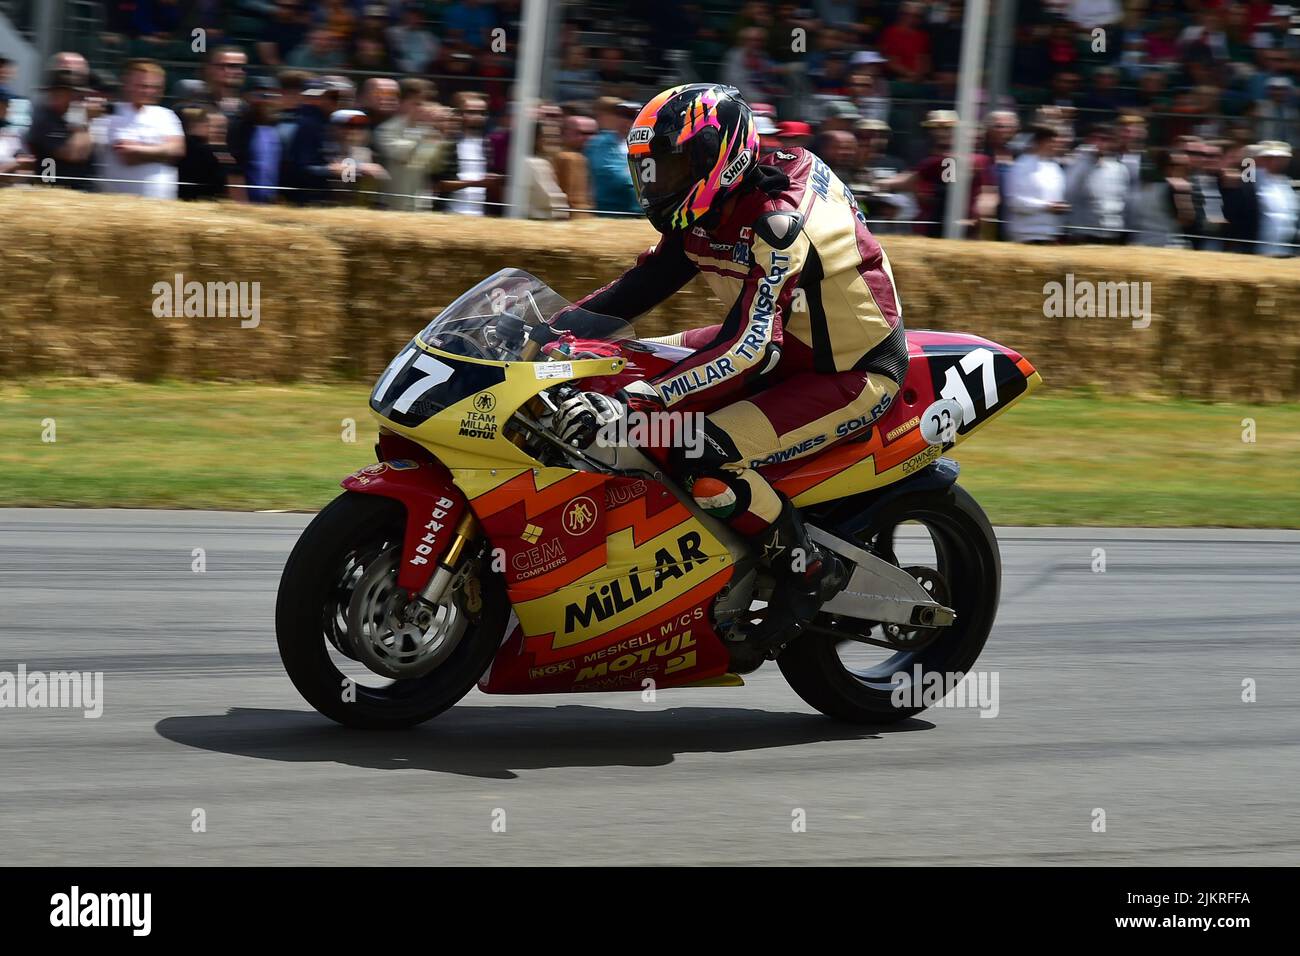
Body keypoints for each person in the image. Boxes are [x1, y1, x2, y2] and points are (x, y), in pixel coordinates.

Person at [551, 84, 908, 647]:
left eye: (668, 168)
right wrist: (547, 333)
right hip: (774, 340)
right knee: (616, 365)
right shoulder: (708, 203)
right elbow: (645, 284)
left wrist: (635, 402)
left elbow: (748, 349)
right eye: (648, 171)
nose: (655, 185)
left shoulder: (777, 222)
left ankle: (806, 570)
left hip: (843, 368)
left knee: (694, 446)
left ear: (717, 156)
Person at [99, 59, 184, 199]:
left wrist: (140, 149)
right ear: (126, 85)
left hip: (162, 204)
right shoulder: (112, 112)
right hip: (118, 203)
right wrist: (162, 152)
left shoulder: (166, 115)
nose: (149, 91)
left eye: (154, 87)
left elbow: (177, 150)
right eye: (142, 86)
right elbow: (127, 155)